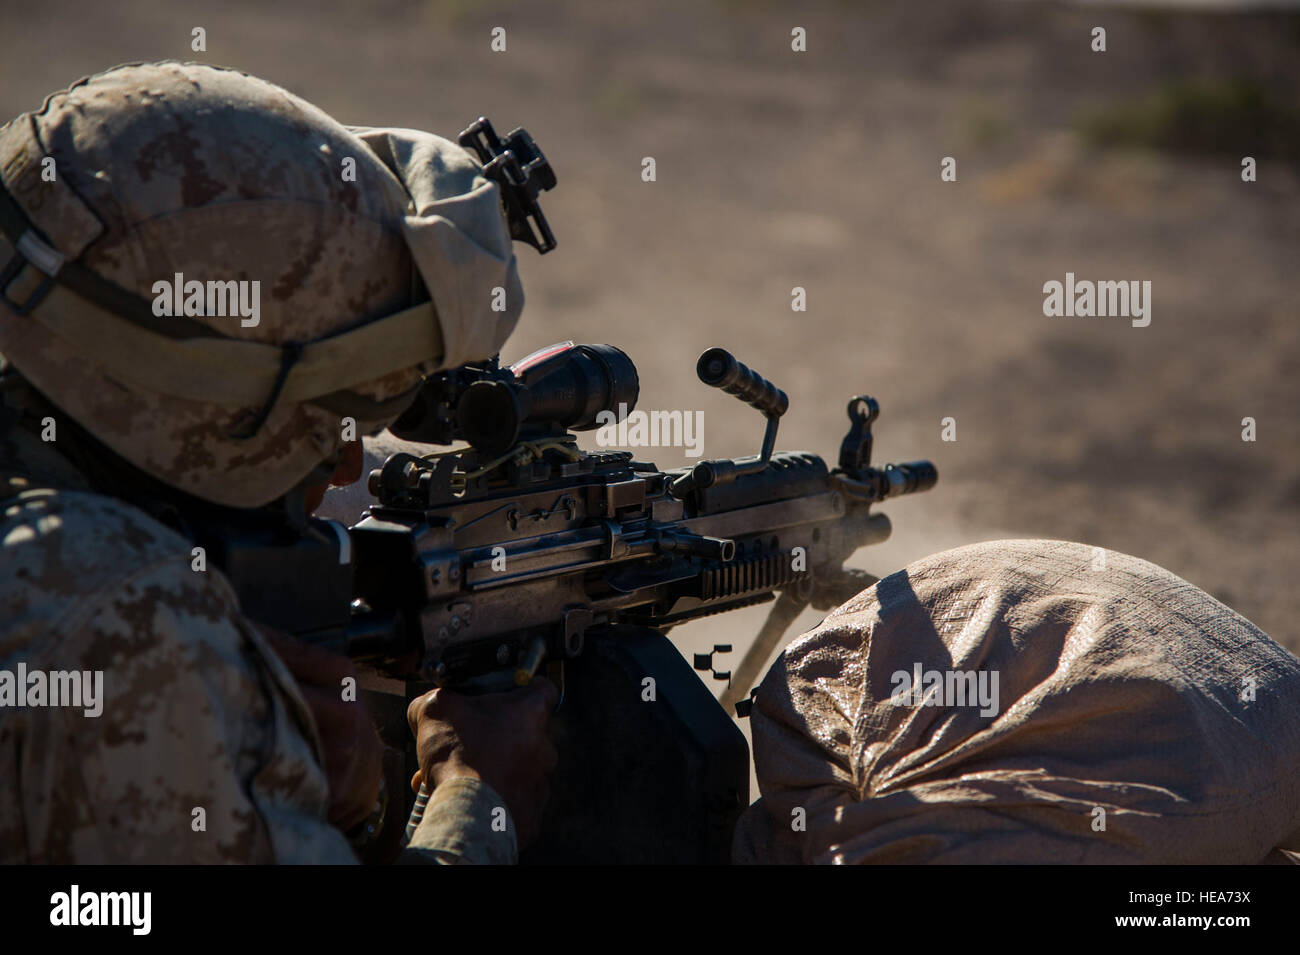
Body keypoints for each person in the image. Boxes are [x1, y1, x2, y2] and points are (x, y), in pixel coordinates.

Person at [0, 61, 554, 864]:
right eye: (335, 415)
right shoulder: (134, 633)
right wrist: (475, 796)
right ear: (215, 407)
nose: (342, 464)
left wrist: (314, 807)